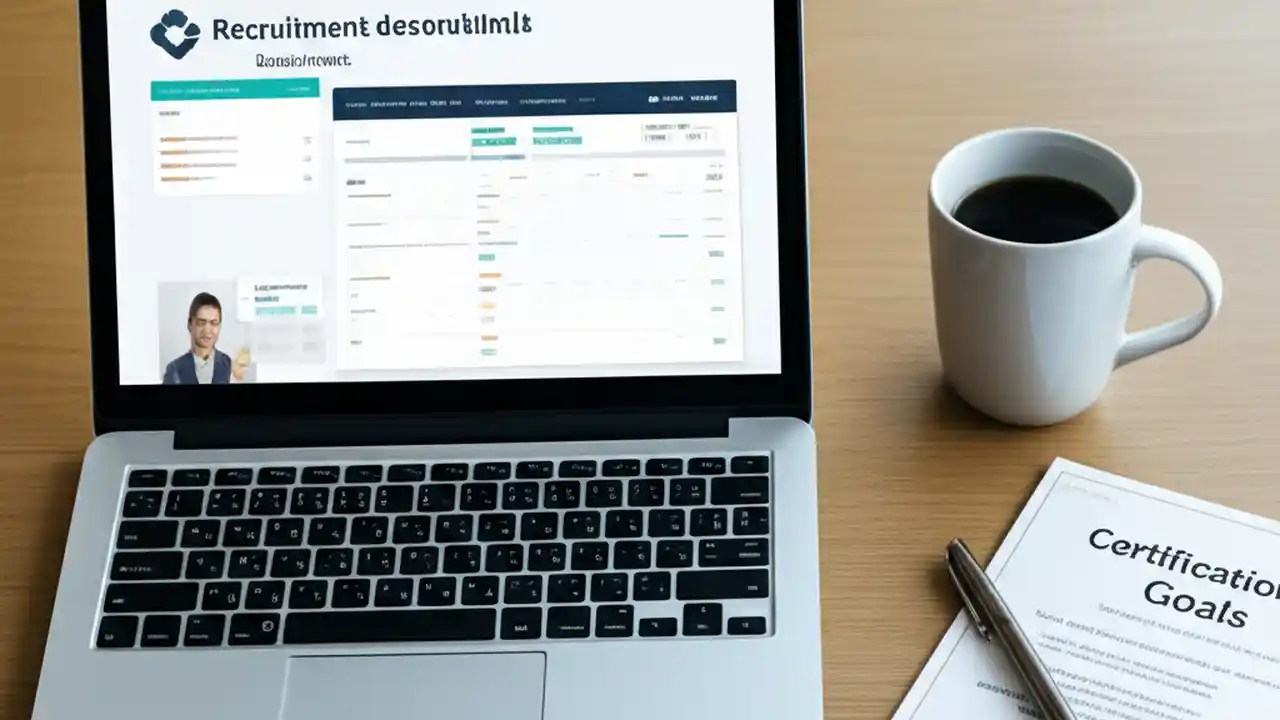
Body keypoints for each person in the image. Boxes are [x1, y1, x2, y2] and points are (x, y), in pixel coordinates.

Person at [162, 292, 249, 385]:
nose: (207, 330)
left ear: (219, 326)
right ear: (190, 324)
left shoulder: (230, 366)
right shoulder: (175, 370)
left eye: (213, 323)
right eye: (201, 323)